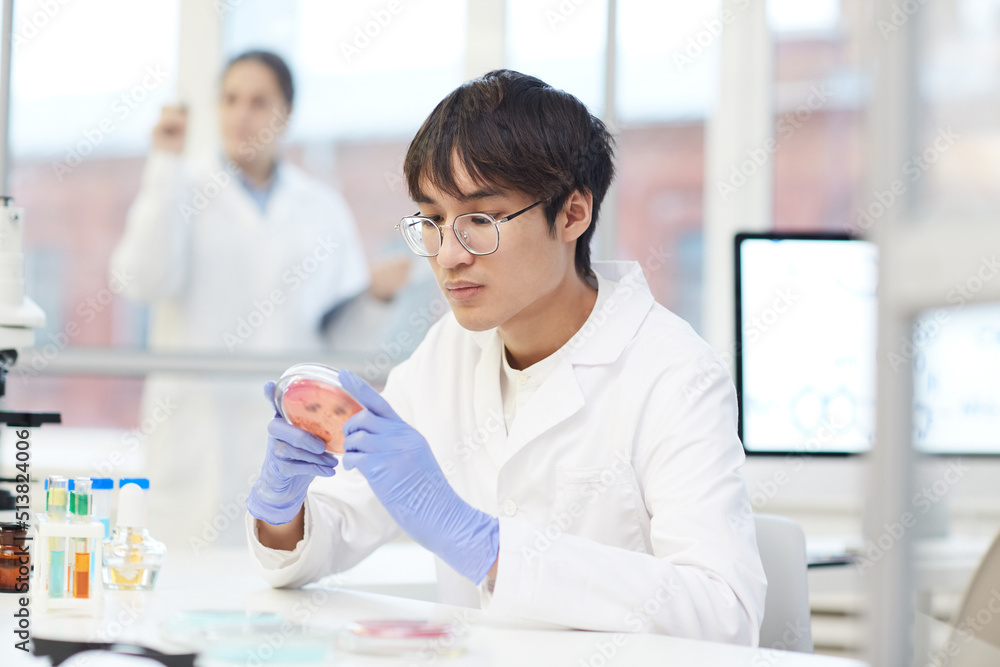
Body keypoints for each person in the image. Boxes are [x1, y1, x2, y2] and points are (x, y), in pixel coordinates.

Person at [245, 69, 766, 645]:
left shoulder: (674, 372)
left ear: (573, 213)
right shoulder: (448, 350)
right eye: (435, 220)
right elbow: (334, 528)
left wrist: (486, 546)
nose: (448, 256)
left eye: (480, 221)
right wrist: (283, 508)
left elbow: (724, 612)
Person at [110, 50, 369, 548]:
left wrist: (378, 297)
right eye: (229, 99)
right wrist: (164, 165)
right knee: (183, 593)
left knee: (278, 579)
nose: (240, 114)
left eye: (257, 101)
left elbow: (341, 339)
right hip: (196, 434)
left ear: (286, 114)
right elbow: (141, 280)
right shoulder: (182, 185)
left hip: (285, 434)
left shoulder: (321, 208)